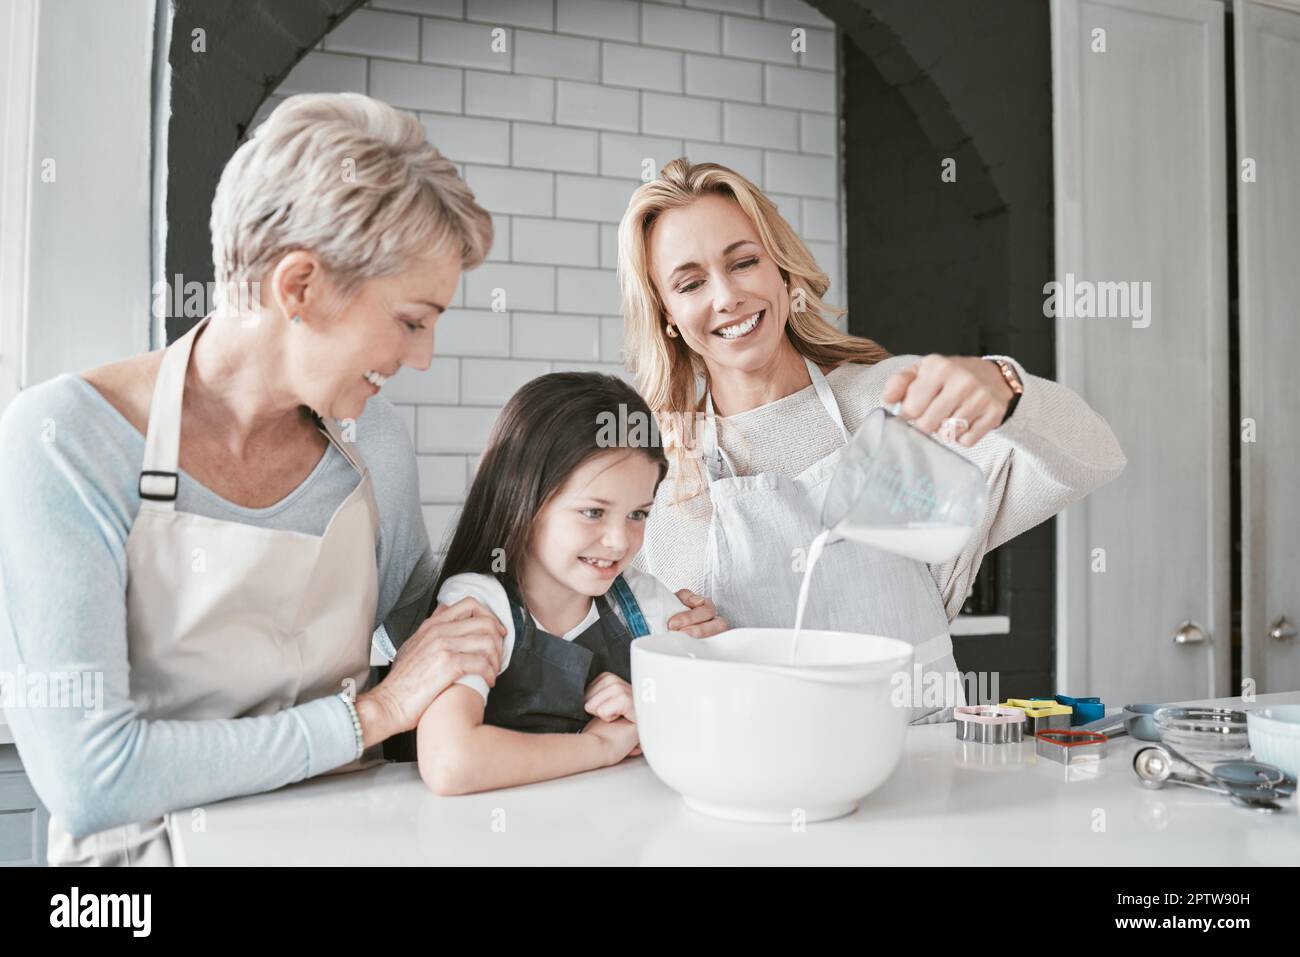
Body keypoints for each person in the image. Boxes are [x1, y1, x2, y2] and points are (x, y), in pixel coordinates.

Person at [0, 93, 506, 865]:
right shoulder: (64, 442)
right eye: (411, 320)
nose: (424, 356)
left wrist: (595, 618)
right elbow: (92, 776)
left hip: (344, 846)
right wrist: (368, 716)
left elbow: (427, 632)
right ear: (298, 286)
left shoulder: (371, 440)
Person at [616, 159, 1128, 724]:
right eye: (690, 283)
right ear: (666, 313)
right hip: (760, 774)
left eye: (744, 262)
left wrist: (1009, 391)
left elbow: (1094, 458)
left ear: (783, 273)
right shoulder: (661, 471)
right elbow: (633, 657)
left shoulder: (891, 404)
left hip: (922, 774)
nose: (727, 296)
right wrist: (680, 643)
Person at [416, 372, 728, 795]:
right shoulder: (478, 605)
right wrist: (600, 745)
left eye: (638, 514)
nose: (620, 542)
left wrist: (654, 709)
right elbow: (451, 763)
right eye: (593, 512)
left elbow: (726, 713)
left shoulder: (642, 599)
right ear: (523, 498)